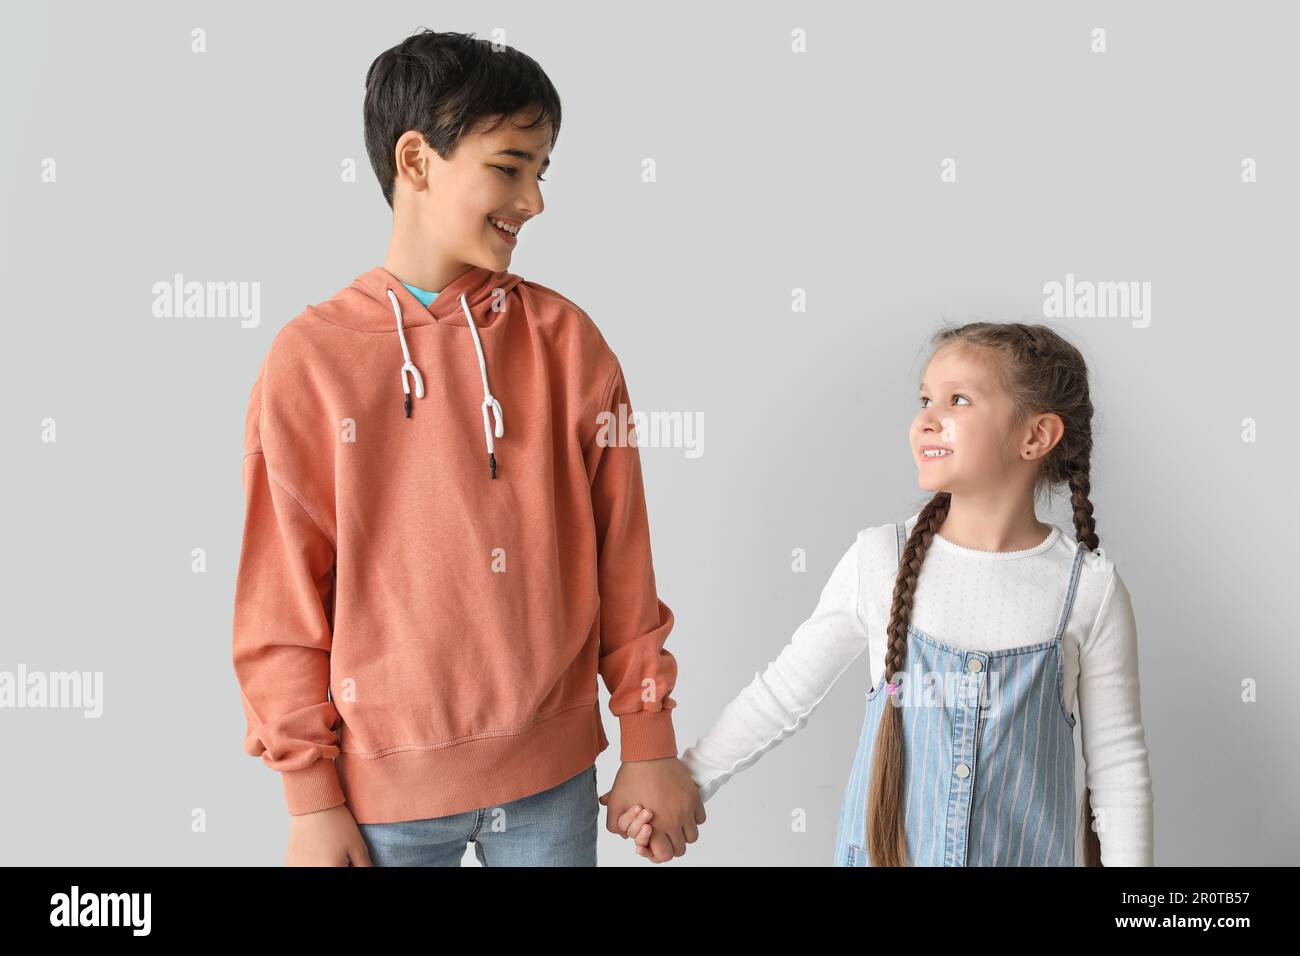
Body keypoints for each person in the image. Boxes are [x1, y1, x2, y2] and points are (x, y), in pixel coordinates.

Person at [232, 29, 704, 866]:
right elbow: (282, 601)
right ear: (416, 161)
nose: (534, 200)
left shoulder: (566, 342)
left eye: (542, 172)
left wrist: (648, 739)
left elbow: (623, 558)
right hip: (380, 805)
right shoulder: (311, 361)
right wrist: (310, 800)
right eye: (511, 167)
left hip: (555, 782)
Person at [617, 322, 1154, 865]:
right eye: (925, 400)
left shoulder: (1088, 589)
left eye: (958, 400)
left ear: (1035, 436)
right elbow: (782, 695)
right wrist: (679, 783)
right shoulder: (879, 560)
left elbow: (1118, 770)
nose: (927, 419)